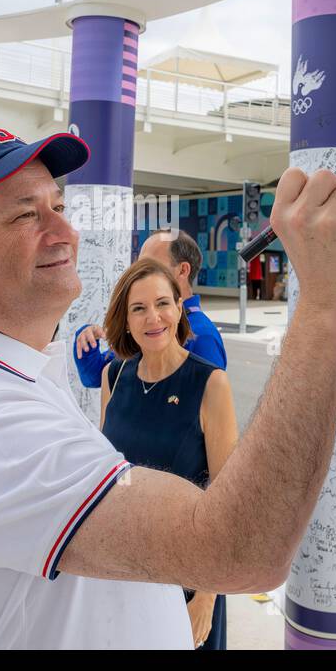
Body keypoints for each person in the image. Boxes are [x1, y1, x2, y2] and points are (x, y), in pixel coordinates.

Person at [0, 123, 336, 648]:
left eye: (58, 206)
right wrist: (326, 303)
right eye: (25, 215)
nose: (65, 233)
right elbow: (241, 547)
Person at [98, 257, 238, 649]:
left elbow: (226, 499)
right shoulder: (115, 377)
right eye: (138, 308)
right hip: (125, 571)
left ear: (179, 307)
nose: (152, 317)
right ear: (125, 321)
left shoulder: (210, 383)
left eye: (162, 303)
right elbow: (107, 476)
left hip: (189, 576)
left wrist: (207, 596)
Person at [73, 228, 226, 389]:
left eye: (152, 265)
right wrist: (87, 339)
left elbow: (209, 407)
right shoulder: (144, 322)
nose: (140, 273)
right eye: (139, 265)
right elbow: (95, 376)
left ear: (183, 270)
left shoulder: (203, 336)